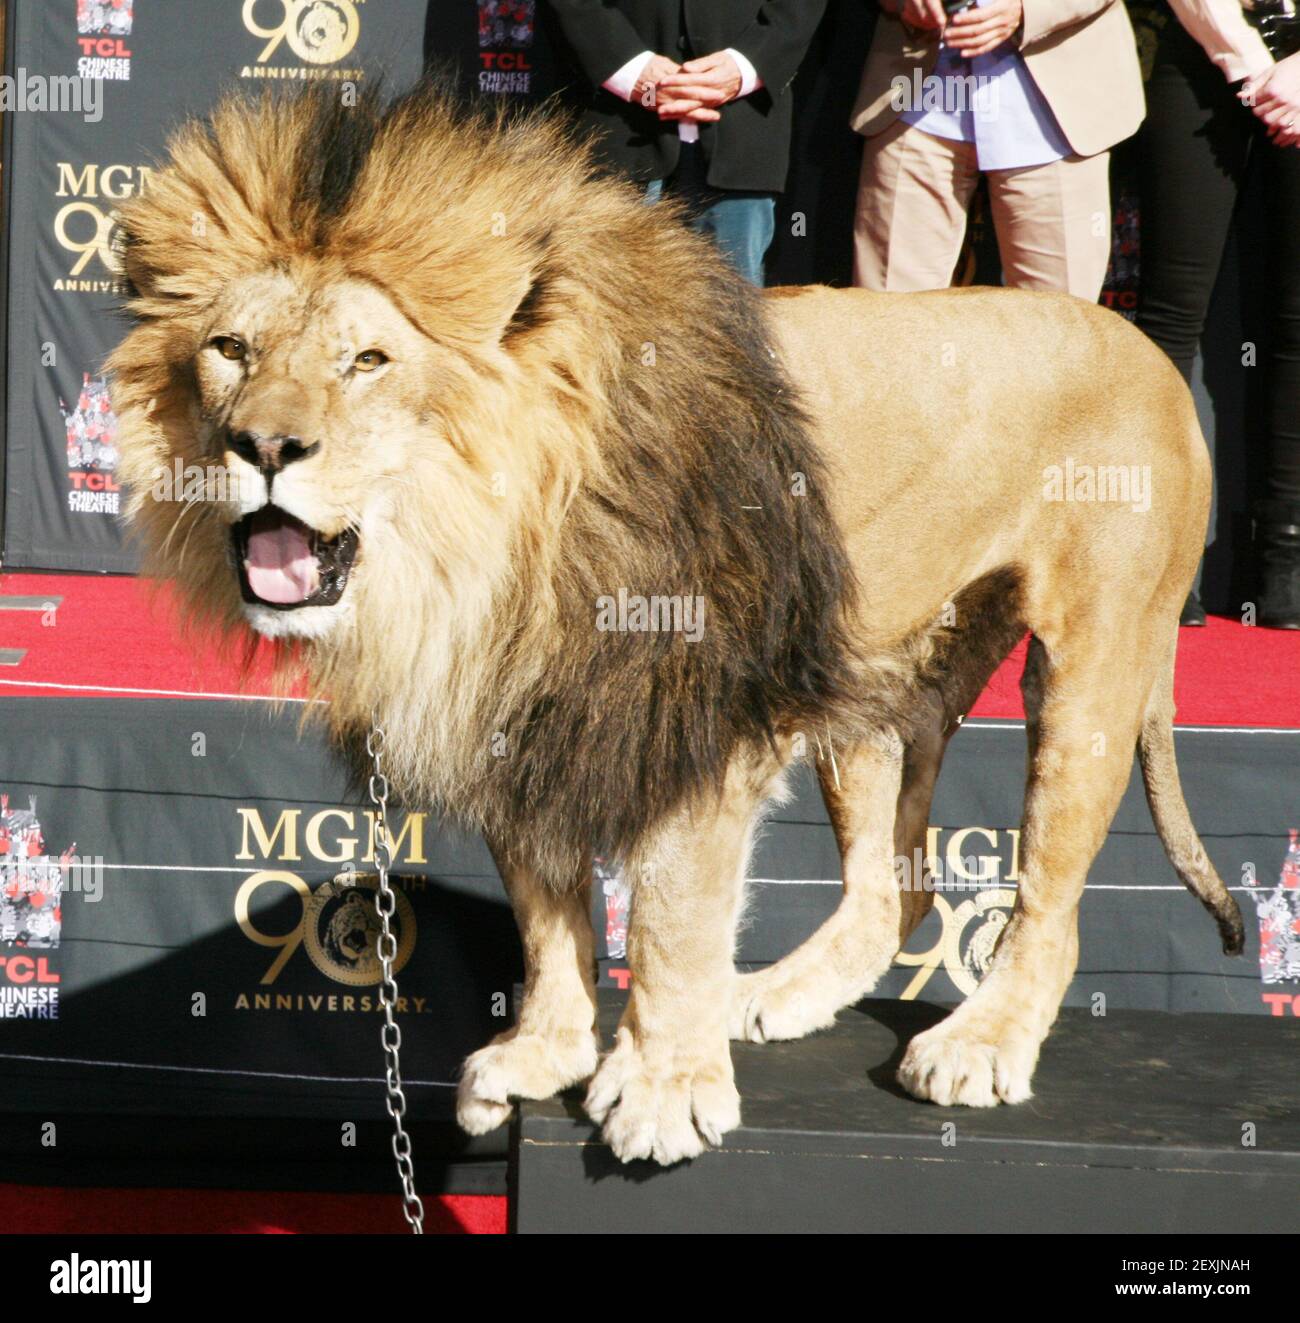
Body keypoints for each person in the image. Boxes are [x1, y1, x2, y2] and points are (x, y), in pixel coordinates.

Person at [1136, 4, 1300, 628]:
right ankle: (1164, 557)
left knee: (1297, 324)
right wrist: (1257, 68)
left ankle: (1284, 562)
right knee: (1172, 315)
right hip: (1200, 54)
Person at [849, 0, 1144, 300]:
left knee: (1056, 332)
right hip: (912, 98)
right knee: (891, 327)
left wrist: (1028, 8)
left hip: (1056, 107)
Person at [545, 0, 827, 284]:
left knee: (730, 318)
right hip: (612, 130)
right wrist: (629, 69)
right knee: (605, 310)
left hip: (742, 132)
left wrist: (748, 63)